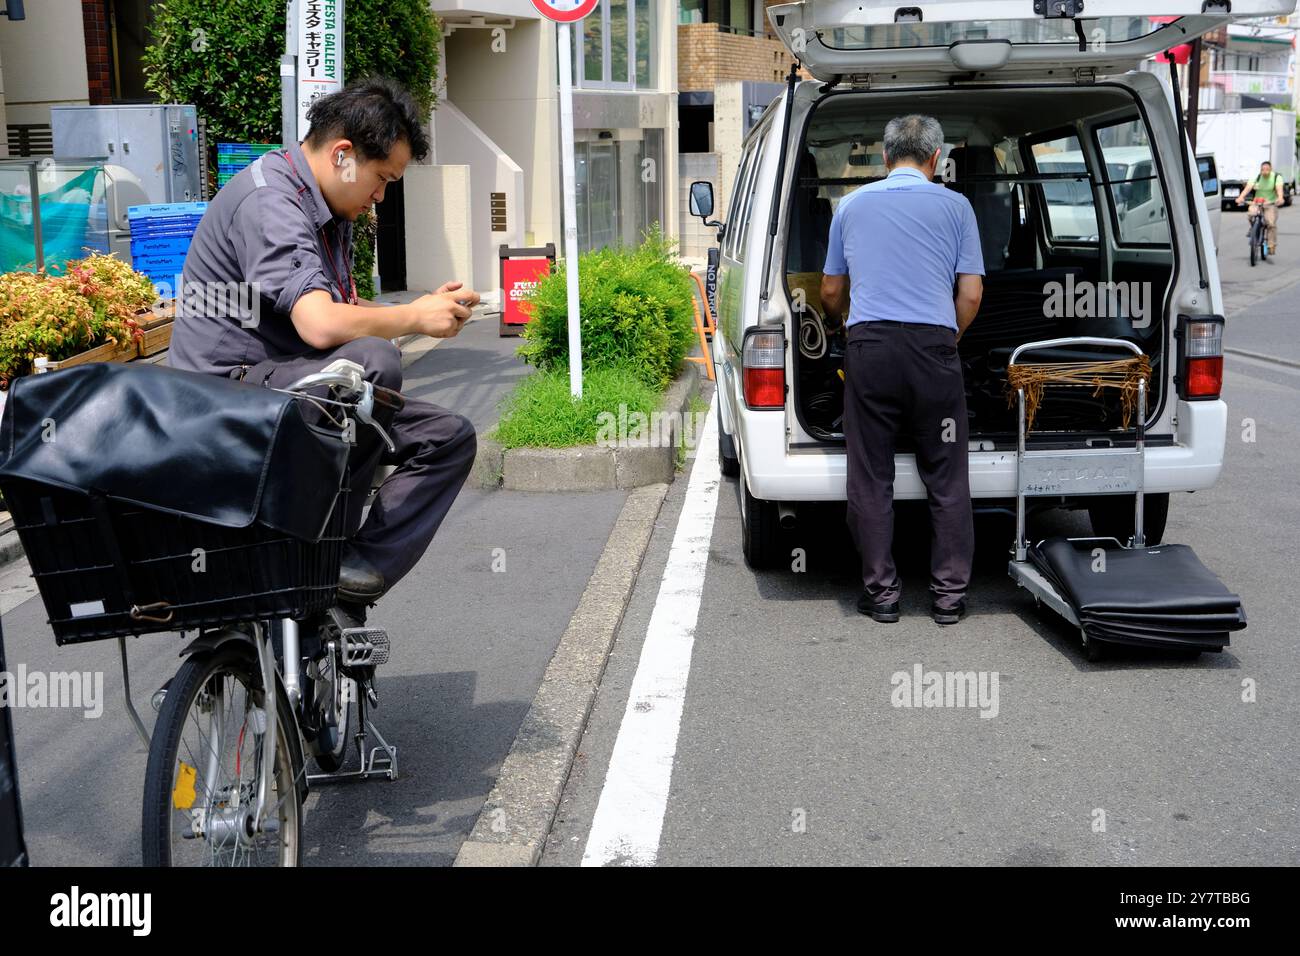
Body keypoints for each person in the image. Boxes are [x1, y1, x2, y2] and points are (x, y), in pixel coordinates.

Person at [168, 76, 480, 634]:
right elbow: (319, 325)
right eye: (382, 179)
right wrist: (416, 316)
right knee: (374, 361)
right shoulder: (271, 200)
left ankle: (350, 571)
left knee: (446, 438)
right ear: (343, 155)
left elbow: (340, 315)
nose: (381, 197)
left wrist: (427, 306)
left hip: (287, 385)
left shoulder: (328, 212)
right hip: (224, 398)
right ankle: (322, 544)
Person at [820, 114, 984, 626]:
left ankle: (883, 594)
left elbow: (828, 290)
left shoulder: (850, 206)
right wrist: (946, 338)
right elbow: (972, 293)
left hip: (870, 349)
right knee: (948, 477)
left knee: (871, 477)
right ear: (937, 159)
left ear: (886, 157)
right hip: (935, 351)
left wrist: (848, 325)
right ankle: (949, 596)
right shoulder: (958, 207)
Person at [1236, 160, 1284, 254]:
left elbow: (1279, 189)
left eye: (1267, 169)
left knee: (1270, 223)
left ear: (1271, 169)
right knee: (1251, 214)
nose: (1265, 171)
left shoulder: (1276, 177)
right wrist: (1241, 197)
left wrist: (1280, 198)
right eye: (1263, 169)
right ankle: (1253, 228)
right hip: (1257, 202)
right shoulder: (1257, 177)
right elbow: (1248, 188)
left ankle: (1271, 244)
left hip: (1270, 203)